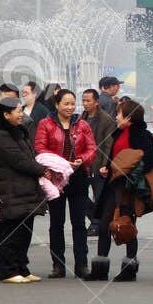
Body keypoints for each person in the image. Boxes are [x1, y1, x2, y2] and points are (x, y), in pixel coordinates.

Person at [90, 96, 153, 281]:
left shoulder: (142, 135)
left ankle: (129, 268)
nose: (116, 117)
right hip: (113, 185)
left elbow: (150, 160)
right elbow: (116, 158)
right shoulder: (118, 133)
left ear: (129, 117)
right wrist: (108, 166)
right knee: (104, 224)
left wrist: (131, 173)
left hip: (130, 188)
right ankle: (100, 268)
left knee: (127, 225)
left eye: (119, 114)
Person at [0, 95, 46, 283]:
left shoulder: (18, 130)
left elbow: (29, 155)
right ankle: (8, 271)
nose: (22, 114)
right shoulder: (1, 135)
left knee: (24, 232)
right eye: (18, 111)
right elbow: (20, 161)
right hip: (11, 191)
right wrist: (43, 170)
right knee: (13, 232)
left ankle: (22, 268)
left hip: (24, 191)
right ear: (6, 114)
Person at [34, 88, 96, 279]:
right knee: (57, 222)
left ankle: (81, 264)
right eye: (66, 103)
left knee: (79, 222)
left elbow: (92, 148)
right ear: (57, 104)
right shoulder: (45, 124)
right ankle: (58, 265)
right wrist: (60, 163)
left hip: (77, 176)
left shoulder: (82, 124)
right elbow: (40, 148)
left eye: (72, 103)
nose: (70, 107)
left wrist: (81, 160)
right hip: (55, 177)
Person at [81, 87, 113, 229]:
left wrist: (105, 165)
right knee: (81, 195)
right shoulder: (82, 118)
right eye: (83, 100)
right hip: (83, 164)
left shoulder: (106, 119)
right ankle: (96, 220)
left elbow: (108, 144)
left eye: (88, 101)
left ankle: (97, 224)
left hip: (99, 163)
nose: (85, 103)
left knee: (99, 196)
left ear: (96, 102)